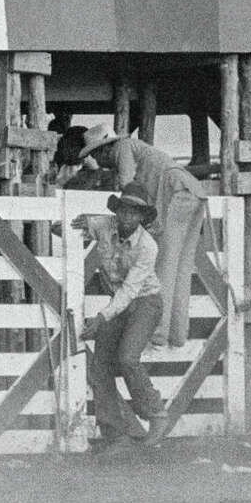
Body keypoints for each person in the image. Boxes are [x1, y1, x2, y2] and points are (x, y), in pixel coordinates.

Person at [79, 121, 209, 351]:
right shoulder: (137, 148)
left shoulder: (123, 148)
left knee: (164, 266)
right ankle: (177, 335)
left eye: (96, 155)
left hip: (176, 191)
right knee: (181, 267)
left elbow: (127, 187)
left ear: (105, 148)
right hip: (194, 192)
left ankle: (157, 335)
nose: (98, 162)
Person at [76, 182, 168, 447]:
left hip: (145, 302)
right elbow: (69, 226)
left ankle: (155, 412)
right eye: (124, 210)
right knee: (100, 363)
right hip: (117, 302)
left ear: (142, 217)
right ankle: (114, 433)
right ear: (117, 212)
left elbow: (130, 290)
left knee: (128, 357)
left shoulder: (148, 246)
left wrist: (102, 317)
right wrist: (67, 226)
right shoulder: (104, 225)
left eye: (134, 212)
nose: (128, 217)